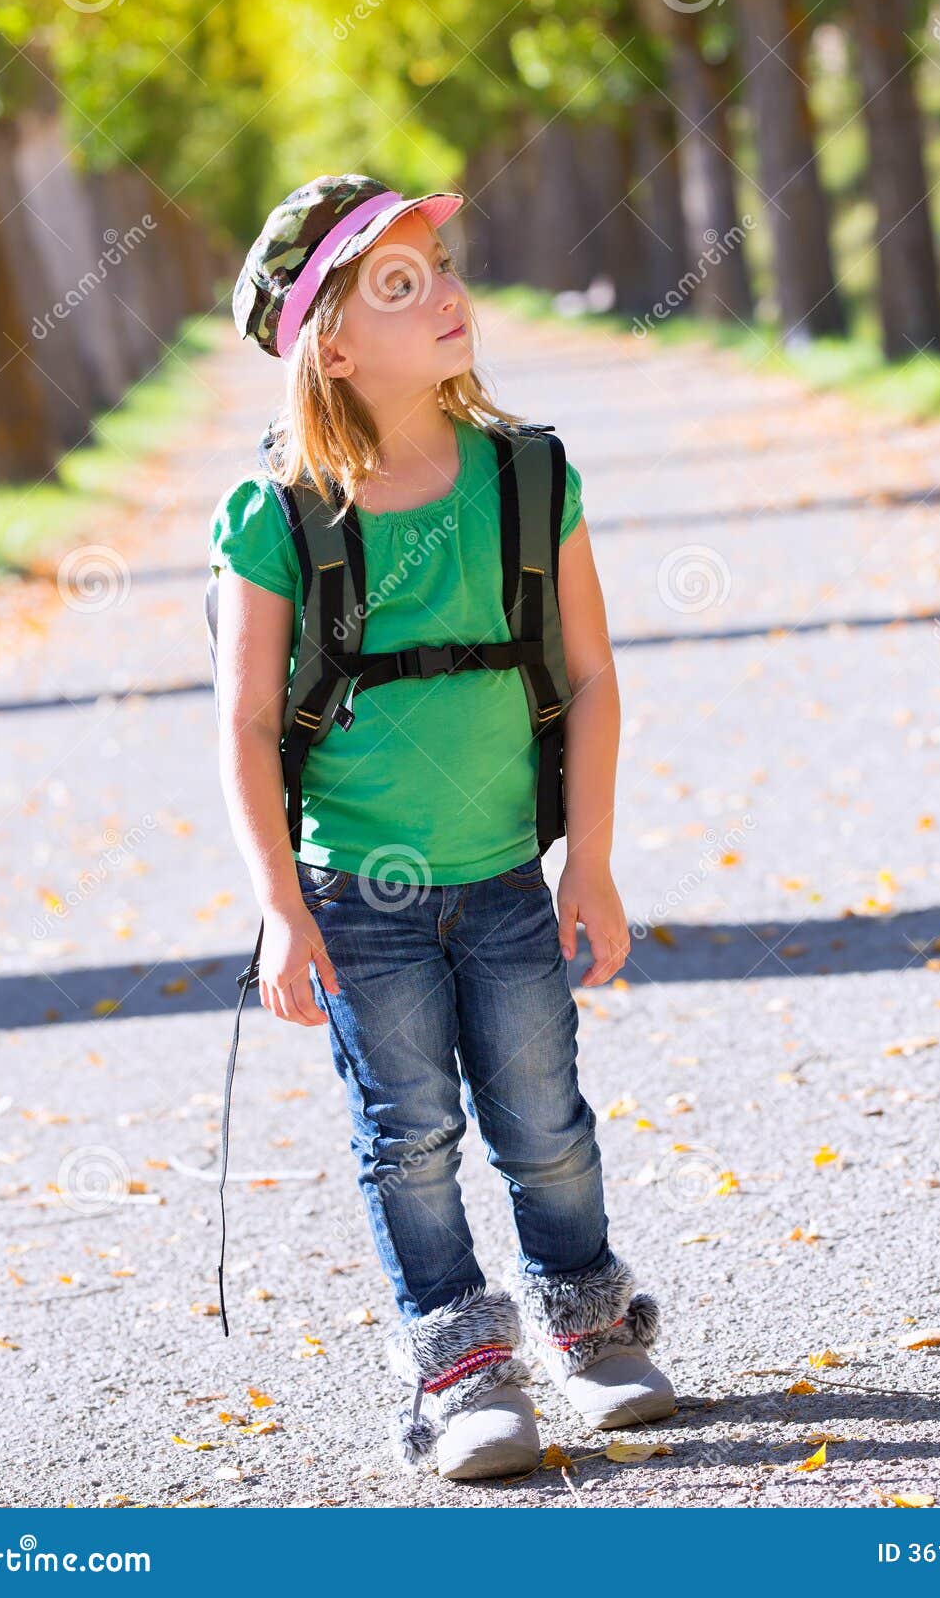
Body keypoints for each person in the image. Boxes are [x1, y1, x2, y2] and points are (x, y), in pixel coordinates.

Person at [210, 174, 674, 1482]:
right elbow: (245, 725)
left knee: (544, 1117)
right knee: (405, 1135)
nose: (448, 294)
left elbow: (589, 675)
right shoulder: (279, 518)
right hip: (356, 892)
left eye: (443, 265)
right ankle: (464, 1369)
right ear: (333, 345)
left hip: (508, 880)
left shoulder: (529, 478)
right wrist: (277, 907)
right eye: (400, 284)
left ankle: (588, 1324)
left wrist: (591, 855)